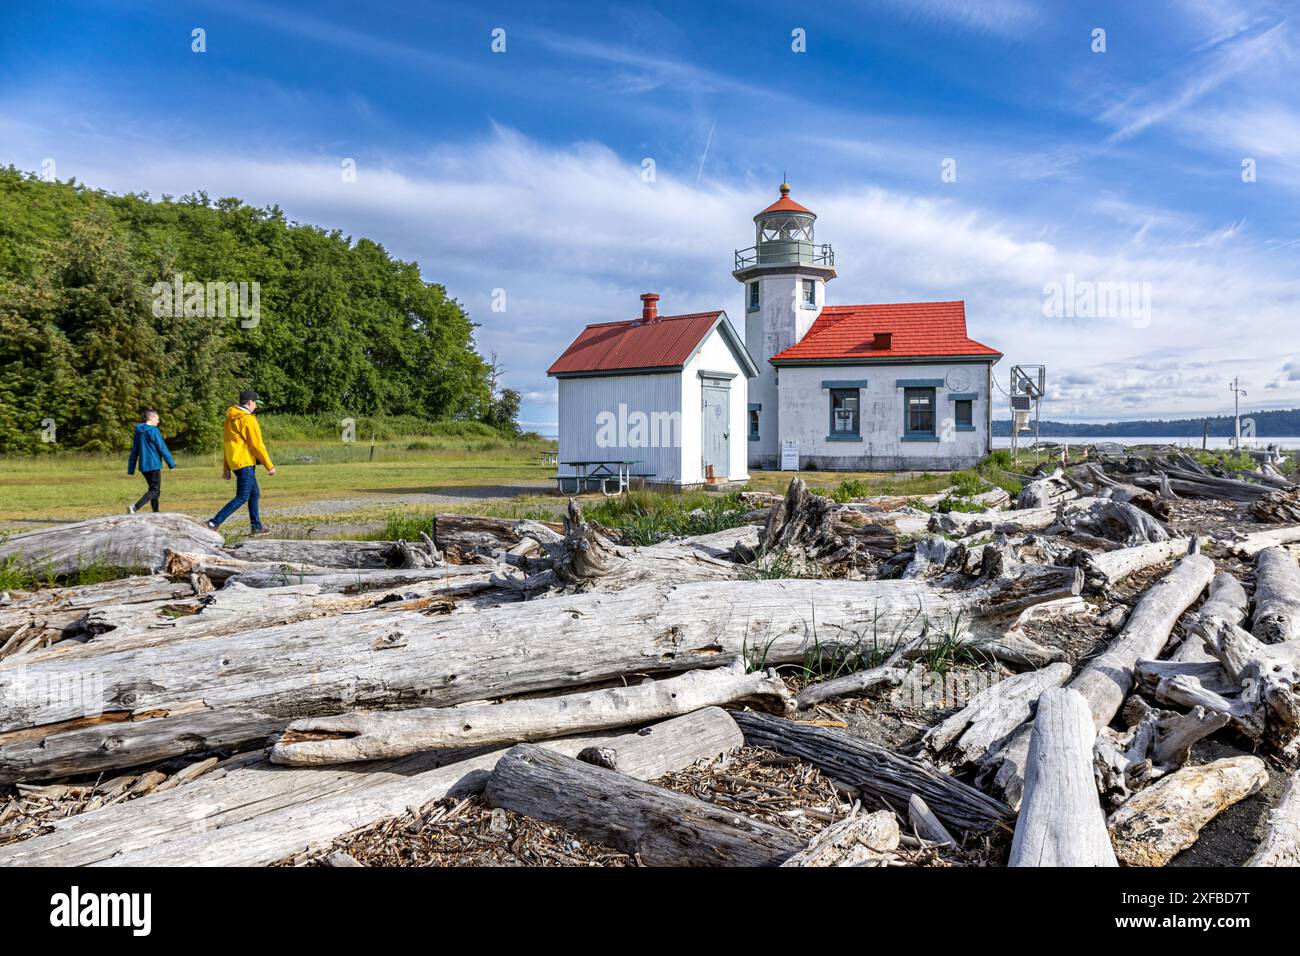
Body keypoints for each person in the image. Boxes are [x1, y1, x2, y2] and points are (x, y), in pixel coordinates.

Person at [207, 390, 276, 534]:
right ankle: (214, 522)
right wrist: (269, 465)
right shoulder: (247, 419)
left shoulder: (230, 418)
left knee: (254, 493)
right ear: (250, 402)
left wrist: (226, 466)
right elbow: (256, 445)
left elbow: (227, 444)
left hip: (235, 463)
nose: (256, 406)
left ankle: (256, 526)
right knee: (242, 496)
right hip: (245, 462)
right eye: (255, 403)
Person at [127, 407, 176, 513]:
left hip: (144, 466)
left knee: (154, 489)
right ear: (151, 418)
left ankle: (155, 512)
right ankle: (135, 507)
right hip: (153, 465)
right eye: (157, 419)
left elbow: (134, 450)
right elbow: (161, 447)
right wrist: (171, 463)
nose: (158, 421)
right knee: (155, 490)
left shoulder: (138, 432)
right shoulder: (154, 431)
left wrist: (131, 468)